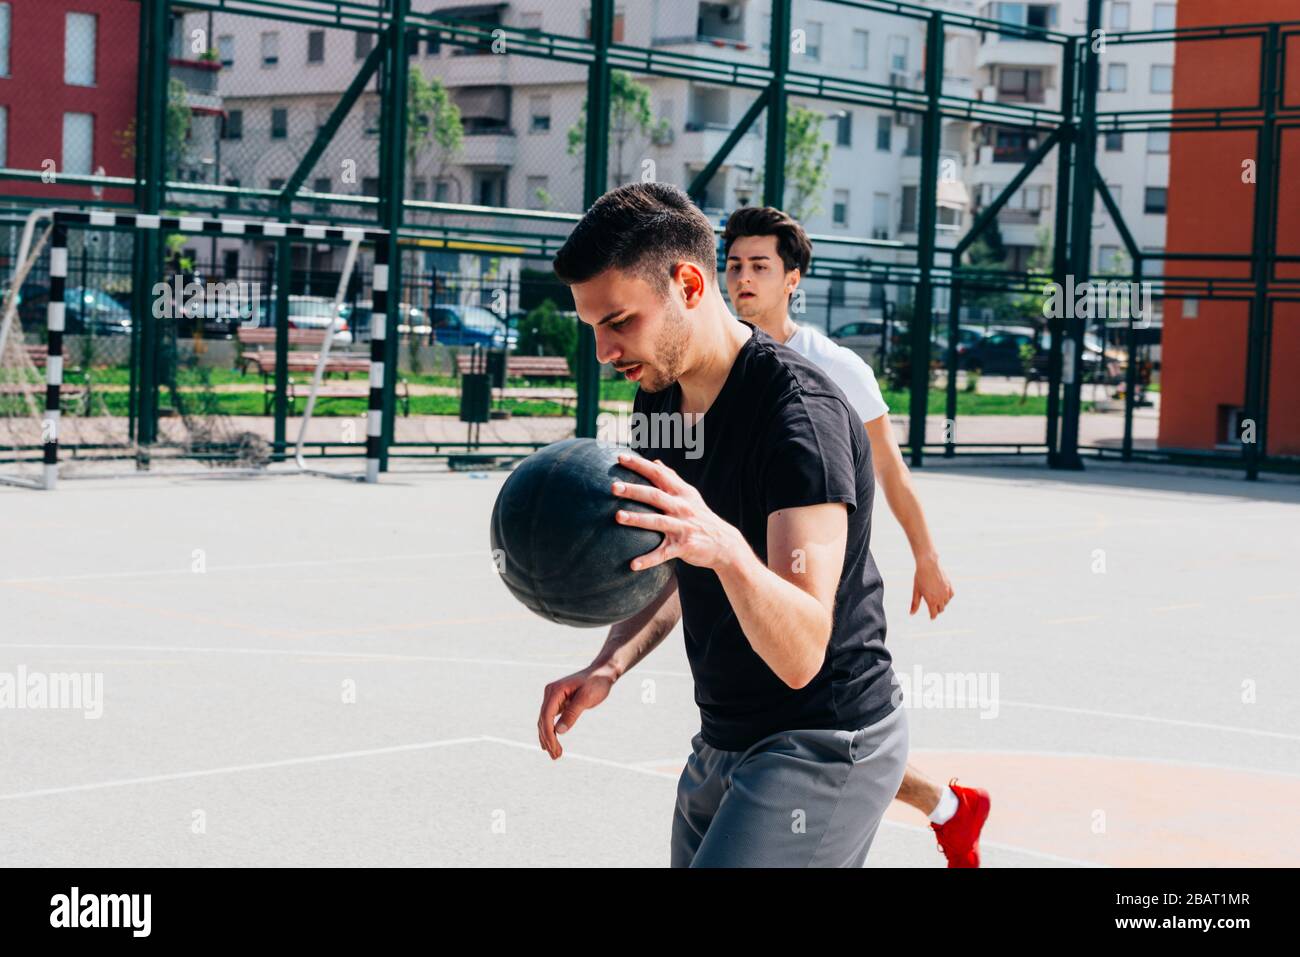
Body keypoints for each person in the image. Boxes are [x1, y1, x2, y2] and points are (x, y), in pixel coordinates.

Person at [537, 182, 906, 867]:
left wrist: (726, 546)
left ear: (686, 284)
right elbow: (672, 566)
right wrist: (608, 664)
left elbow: (802, 651)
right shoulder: (662, 404)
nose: (604, 351)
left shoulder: (799, 421)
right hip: (724, 736)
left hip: (823, 738)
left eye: (619, 320)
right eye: (593, 327)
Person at [721, 204, 990, 867]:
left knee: (810, 732)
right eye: (733, 266)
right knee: (794, 734)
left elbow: (893, 474)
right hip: (743, 577)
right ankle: (949, 806)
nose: (742, 279)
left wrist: (927, 556)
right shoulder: (713, 366)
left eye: (760, 266)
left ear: (793, 278)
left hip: (822, 580)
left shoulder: (836, 367)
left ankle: (938, 809)